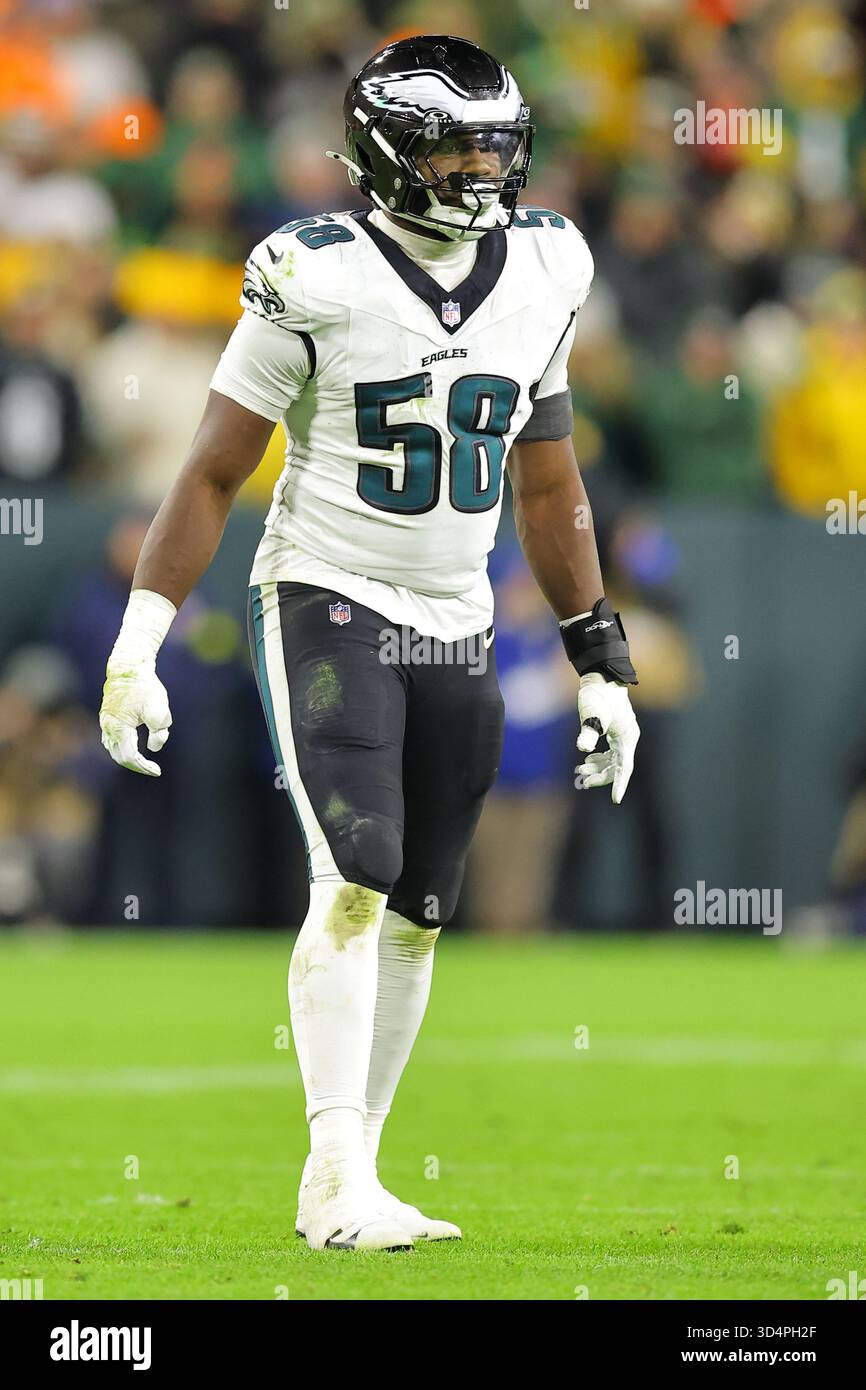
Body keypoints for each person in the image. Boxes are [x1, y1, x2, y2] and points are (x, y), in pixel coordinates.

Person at [98, 35, 640, 1252]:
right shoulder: (314, 271)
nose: (480, 172)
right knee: (355, 874)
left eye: (495, 149)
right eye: (454, 150)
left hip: (457, 613)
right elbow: (214, 469)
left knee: (418, 909)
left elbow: (546, 482)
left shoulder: (547, 262)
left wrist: (598, 657)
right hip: (327, 590)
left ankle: (362, 1170)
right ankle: (332, 1172)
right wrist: (139, 642)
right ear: (388, 154)